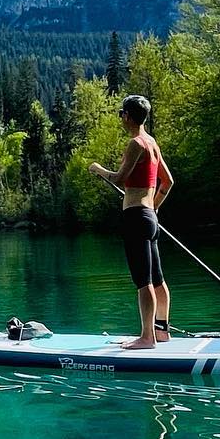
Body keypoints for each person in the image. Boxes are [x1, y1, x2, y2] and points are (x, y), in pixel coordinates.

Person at [89, 94, 174, 348]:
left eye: (121, 114)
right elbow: (168, 182)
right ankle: (162, 331)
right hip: (149, 217)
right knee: (157, 279)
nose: (121, 118)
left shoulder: (136, 144)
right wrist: (154, 208)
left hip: (136, 217)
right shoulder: (152, 143)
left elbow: (119, 178)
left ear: (127, 116)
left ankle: (147, 337)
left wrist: (97, 169)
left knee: (143, 281)